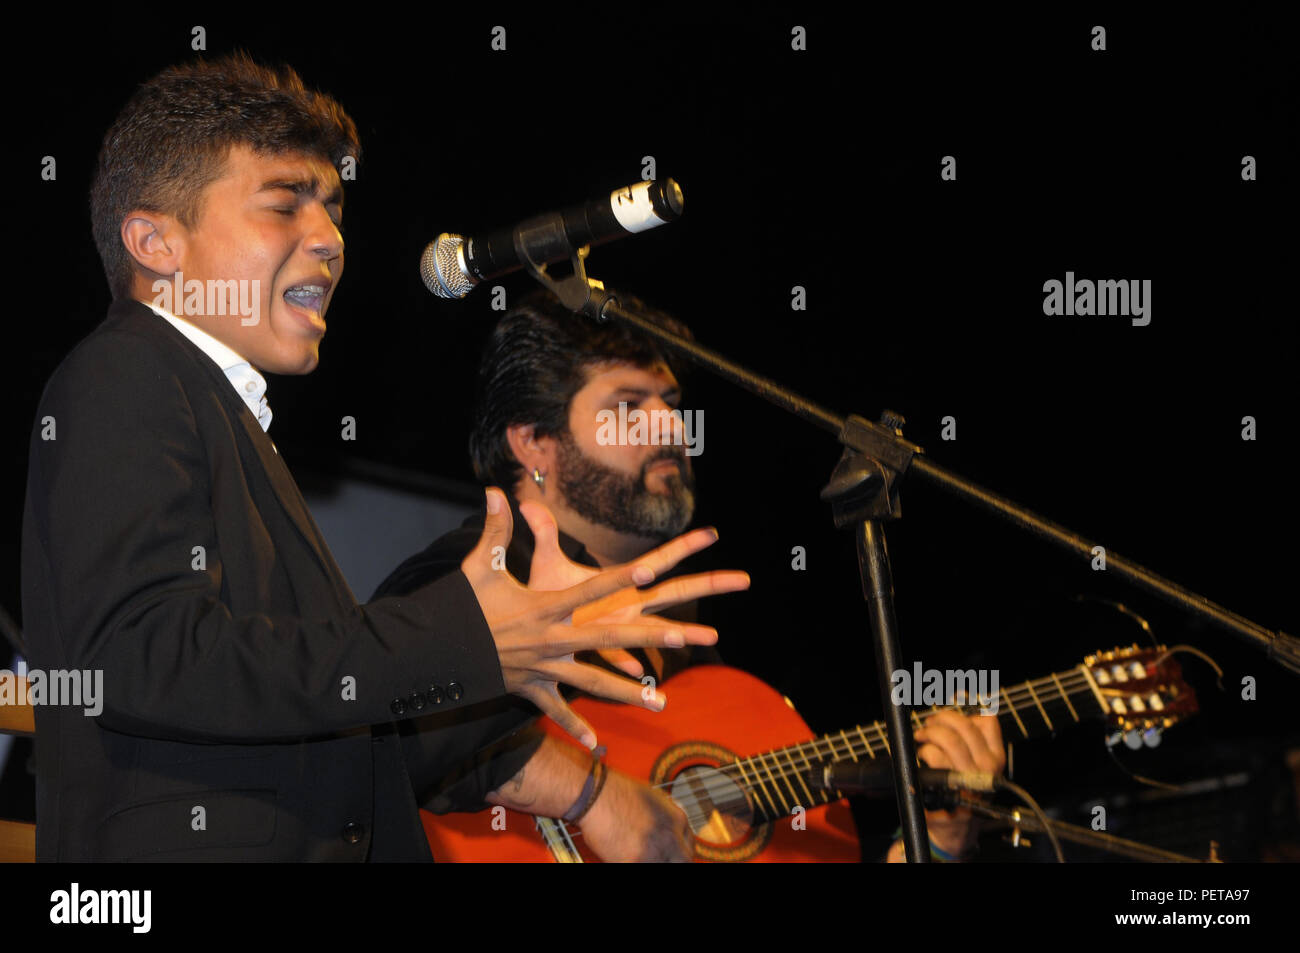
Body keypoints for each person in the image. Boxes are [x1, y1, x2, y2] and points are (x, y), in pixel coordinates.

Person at [19, 53, 743, 862]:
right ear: (156, 241)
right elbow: (142, 656)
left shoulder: (230, 426)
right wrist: (460, 633)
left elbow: (350, 744)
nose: (330, 239)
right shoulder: (128, 371)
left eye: (333, 209)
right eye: (286, 203)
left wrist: (511, 660)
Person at [373, 288, 1005, 862]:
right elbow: (381, 725)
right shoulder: (479, 569)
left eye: (673, 405)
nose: (673, 428)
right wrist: (590, 793)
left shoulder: (693, 640)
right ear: (536, 442)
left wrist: (940, 841)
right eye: (629, 405)